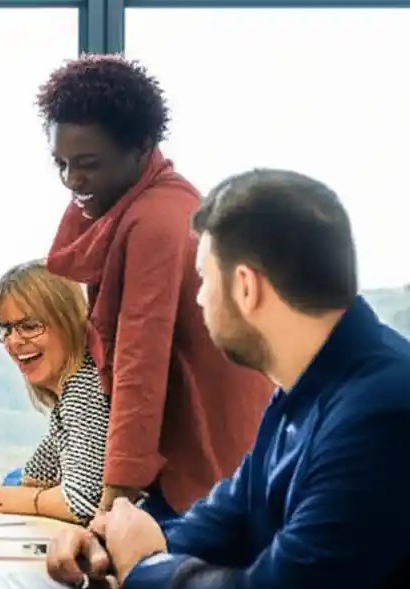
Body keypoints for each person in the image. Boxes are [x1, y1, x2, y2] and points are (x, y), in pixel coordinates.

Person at [45, 169, 410, 589]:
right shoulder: (310, 385)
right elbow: (231, 518)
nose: (198, 299)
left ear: (246, 286)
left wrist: (143, 566)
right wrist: (104, 546)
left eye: (202, 280)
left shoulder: (385, 412)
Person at [36, 55, 274, 521]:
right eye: (61, 163)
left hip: (211, 474)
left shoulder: (155, 222)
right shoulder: (153, 203)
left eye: (88, 164)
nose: (71, 180)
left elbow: (139, 366)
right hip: (220, 465)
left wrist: (114, 507)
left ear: (142, 147)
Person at [0, 260, 108, 525]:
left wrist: (31, 501)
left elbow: (84, 502)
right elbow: (36, 474)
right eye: (6, 329)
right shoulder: (67, 395)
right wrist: (23, 488)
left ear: (68, 322)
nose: (13, 341)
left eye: (29, 326)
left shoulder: (85, 389)